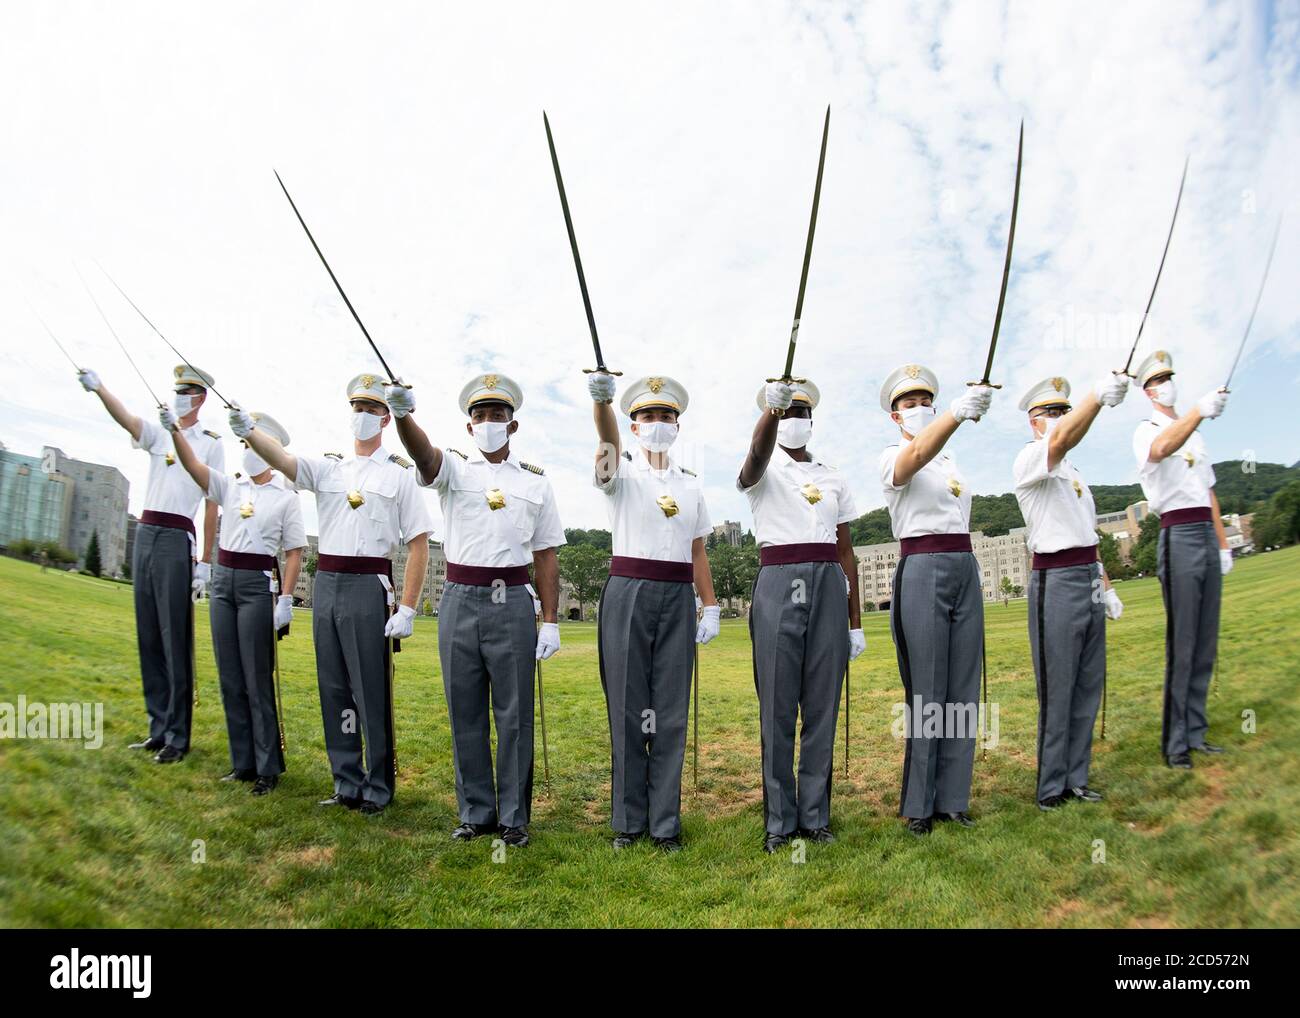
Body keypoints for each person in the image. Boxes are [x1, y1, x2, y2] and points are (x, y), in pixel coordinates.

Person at [233, 373, 432, 815]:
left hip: (369, 584)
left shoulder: (400, 475)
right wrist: (249, 432)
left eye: (370, 409)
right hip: (328, 583)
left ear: (385, 418)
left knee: (370, 689)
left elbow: (418, 542)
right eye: (356, 409)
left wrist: (409, 606)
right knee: (334, 687)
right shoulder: (329, 468)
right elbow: (282, 460)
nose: (361, 416)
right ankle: (346, 780)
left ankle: (378, 785)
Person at [383, 373, 564, 847]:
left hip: (513, 600)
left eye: (497, 415)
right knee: (465, 711)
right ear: (468, 426)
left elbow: (546, 555)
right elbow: (422, 455)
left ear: (513, 424)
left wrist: (550, 620)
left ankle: (514, 818)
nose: (488, 422)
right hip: (460, 598)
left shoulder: (536, 484)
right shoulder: (454, 470)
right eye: (479, 416)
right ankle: (475, 812)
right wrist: (403, 414)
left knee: (514, 714)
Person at [586, 372, 720, 852]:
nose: (656, 422)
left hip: (676, 593)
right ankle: (628, 820)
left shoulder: (690, 485)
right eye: (646, 416)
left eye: (665, 416)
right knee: (628, 707)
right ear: (633, 424)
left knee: (669, 712)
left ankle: (665, 822)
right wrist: (602, 402)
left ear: (677, 426)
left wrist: (710, 605)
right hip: (629, 590)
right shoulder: (619, 471)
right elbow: (605, 441)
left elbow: (698, 549)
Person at [739, 378, 864, 854]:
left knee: (821, 706)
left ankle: (815, 815)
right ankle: (779, 820)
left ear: (812, 420)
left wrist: (855, 621)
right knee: (777, 706)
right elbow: (754, 456)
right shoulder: (763, 467)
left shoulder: (833, 475)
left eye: (800, 413)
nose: (796, 421)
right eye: (787, 413)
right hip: (778, 578)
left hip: (829, 580)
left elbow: (847, 549)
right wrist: (770, 415)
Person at [78, 364, 224, 764]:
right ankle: (156, 728)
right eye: (176, 390)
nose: (179, 396)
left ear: (200, 397)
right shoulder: (159, 429)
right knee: (149, 636)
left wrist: (204, 561)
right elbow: (125, 417)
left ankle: (178, 735)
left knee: (173, 636)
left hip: (178, 535)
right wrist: (100, 388)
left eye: (186, 391)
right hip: (147, 530)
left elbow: (212, 505)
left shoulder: (210, 442)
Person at [877, 364, 992, 836]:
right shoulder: (891, 454)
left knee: (963, 686)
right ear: (895, 415)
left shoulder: (950, 465)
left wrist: (953, 422)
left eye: (927, 402)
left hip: (964, 564)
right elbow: (914, 458)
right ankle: (920, 803)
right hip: (922, 564)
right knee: (928, 689)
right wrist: (958, 416)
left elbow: (935, 453)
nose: (920, 409)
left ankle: (952, 798)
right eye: (910, 404)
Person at [168, 406, 306, 796]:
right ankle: (242, 761)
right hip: (224, 581)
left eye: (252, 443)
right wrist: (176, 432)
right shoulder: (232, 486)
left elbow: (294, 551)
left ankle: (267, 767)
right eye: (244, 442)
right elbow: (194, 468)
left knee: (256, 678)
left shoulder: (285, 497)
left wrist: (286, 599)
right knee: (230, 678)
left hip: (256, 584)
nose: (246, 449)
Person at [1012, 373, 1128, 810]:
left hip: (1086, 575)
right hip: (1055, 580)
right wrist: (1095, 400)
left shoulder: (1075, 474)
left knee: (1086, 684)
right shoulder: (1031, 459)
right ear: (1033, 422)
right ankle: (1050, 787)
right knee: (1058, 688)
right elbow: (1060, 443)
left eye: (1065, 410)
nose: (1060, 418)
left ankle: (1076, 777)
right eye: (1052, 412)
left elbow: (1089, 533)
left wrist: (1106, 583)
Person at [1130, 350, 1231, 769]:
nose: (1167, 382)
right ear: (1149, 390)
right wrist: (1198, 413)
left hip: (1205, 533)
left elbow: (1208, 491)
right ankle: (1175, 745)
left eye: (1170, 375)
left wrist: (1223, 544)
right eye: (1159, 378)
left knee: (1205, 642)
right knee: (1184, 642)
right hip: (1178, 533)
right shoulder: (1147, 428)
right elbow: (1161, 448)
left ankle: (1196, 731)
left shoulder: (1197, 434)